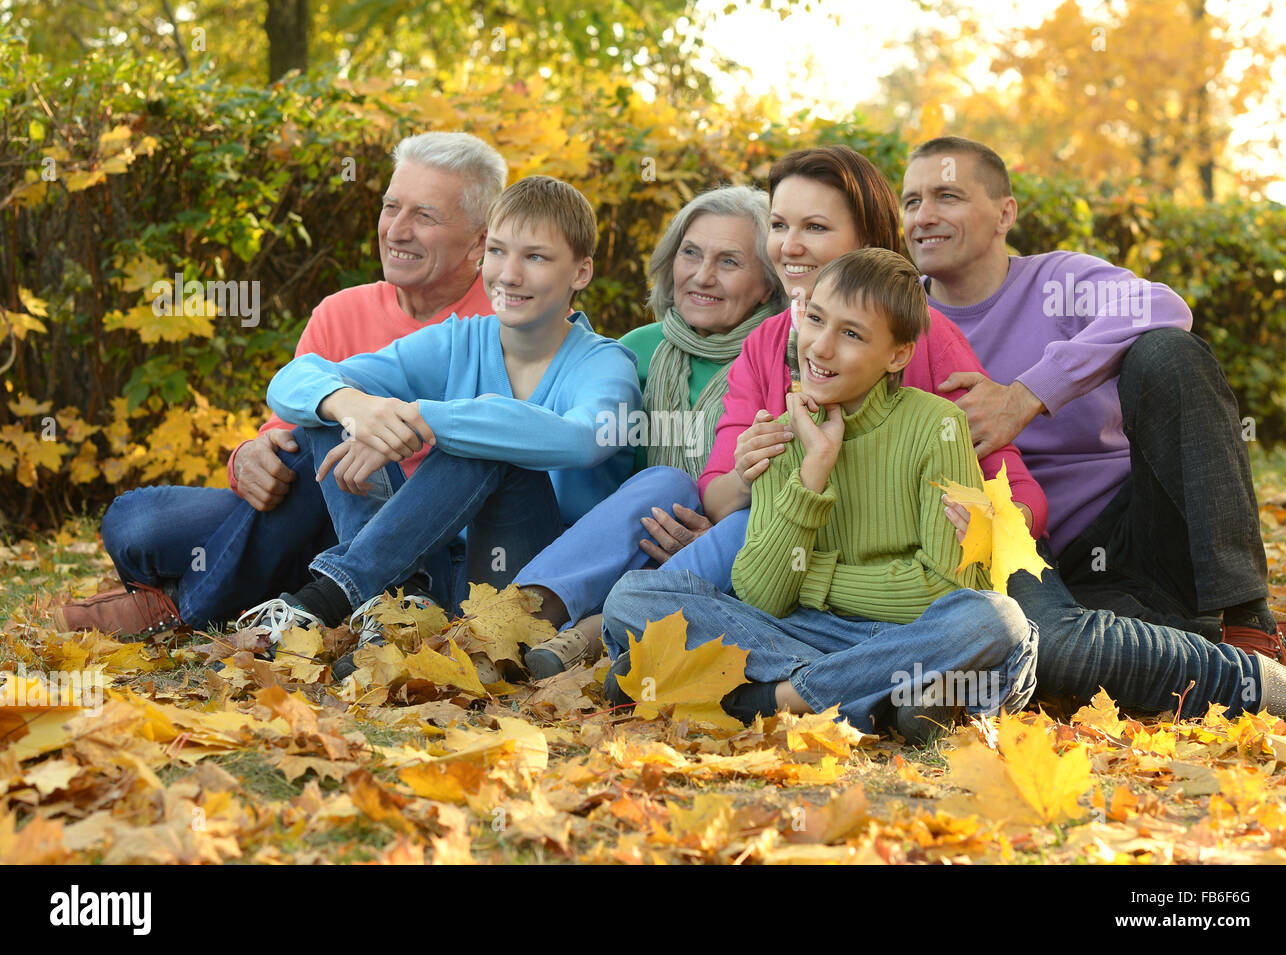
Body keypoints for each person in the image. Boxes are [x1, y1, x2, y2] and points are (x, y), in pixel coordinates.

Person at [522, 145, 1048, 679]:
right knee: (682, 556)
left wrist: (982, 531)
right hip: (780, 590)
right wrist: (752, 484)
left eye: (815, 227)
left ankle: (724, 670)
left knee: (993, 623)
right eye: (778, 224)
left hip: (894, 589)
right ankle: (571, 625)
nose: (790, 245)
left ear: (865, 243)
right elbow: (720, 496)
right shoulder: (765, 344)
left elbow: (1016, 497)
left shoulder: (926, 349)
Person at [901, 134, 1286, 718]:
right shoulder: (895, 316)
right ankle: (1178, 635)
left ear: (1004, 213)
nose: (924, 215)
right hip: (1030, 567)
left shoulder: (1057, 281)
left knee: (1167, 354)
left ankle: (1246, 620)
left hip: (1137, 527)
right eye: (911, 202)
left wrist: (1029, 395)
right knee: (1069, 640)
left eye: (948, 196)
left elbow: (1163, 306)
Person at [54, 132, 505, 637]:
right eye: (390, 207)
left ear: (480, 242)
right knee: (136, 523)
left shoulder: (509, 324)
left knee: (329, 444)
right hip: (310, 521)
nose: (396, 231)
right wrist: (250, 456)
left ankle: (184, 608)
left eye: (424, 216)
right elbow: (287, 440)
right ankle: (311, 588)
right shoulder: (342, 311)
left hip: (431, 546)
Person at [602, 248, 1038, 740]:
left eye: (851, 334)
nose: (821, 348)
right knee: (633, 597)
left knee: (996, 621)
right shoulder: (783, 432)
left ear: (897, 355)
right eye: (815, 320)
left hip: (905, 636)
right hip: (800, 634)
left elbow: (943, 589)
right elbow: (762, 595)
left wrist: (810, 580)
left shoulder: (937, 426)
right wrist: (812, 472)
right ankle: (884, 694)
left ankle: (776, 697)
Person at [240, 175, 640, 680]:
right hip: (441, 569)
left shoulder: (605, 364)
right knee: (333, 415)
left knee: (485, 440)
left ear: (580, 271)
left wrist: (431, 418)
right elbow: (295, 380)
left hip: (528, 588)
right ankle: (397, 608)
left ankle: (339, 590)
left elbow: (585, 439)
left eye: (535, 258)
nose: (509, 274)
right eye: (497, 251)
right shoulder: (458, 341)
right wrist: (352, 407)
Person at [513, 185, 785, 677]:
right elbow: (596, 484)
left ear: (767, 283)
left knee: (741, 529)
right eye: (691, 253)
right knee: (666, 482)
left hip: (725, 561)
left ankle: (594, 633)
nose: (702, 276)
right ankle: (516, 621)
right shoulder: (636, 348)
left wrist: (710, 539)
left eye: (729, 262)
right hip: (619, 539)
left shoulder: (783, 360)